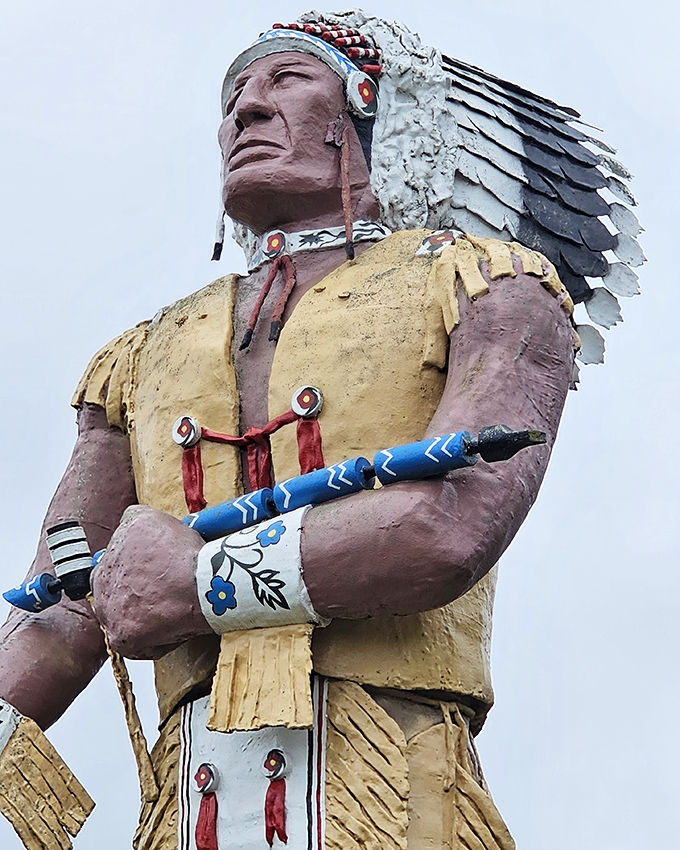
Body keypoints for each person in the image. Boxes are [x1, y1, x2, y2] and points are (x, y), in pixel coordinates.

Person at [0, 10, 639, 850]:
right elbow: (58, 610)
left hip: (397, 789)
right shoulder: (139, 356)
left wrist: (199, 580)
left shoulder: (489, 288)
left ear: (371, 111)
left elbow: (451, 527)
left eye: (287, 78)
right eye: (234, 93)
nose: (245, 109)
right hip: (185, 804)